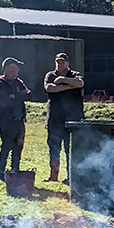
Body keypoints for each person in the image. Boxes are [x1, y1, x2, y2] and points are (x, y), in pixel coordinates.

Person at [44, 52, 85, 182]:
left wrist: (62, 81)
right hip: (55, 119)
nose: (60, 64)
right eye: (58, 62)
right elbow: (50, 88)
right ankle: (53, 176)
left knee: (71, 150)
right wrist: (68, 87)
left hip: (73, 120)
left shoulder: (75, 74)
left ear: (68, 62)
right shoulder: (50, 75)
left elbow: (80, 83)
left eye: (62, 62)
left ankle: (70, 177)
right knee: (54, 149)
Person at [0, 57, 33, 181]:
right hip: (7, 121)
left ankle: (14, 171)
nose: (18, 70)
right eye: (15, 67)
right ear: (7, 68)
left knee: (18, 147)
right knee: (6, 146)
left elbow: (29, 95)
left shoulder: (18, 82)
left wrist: (16, 96)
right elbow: (5, 101)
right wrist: (19, 96)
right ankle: (0, 174)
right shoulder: (0, 83)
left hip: (19, 120)